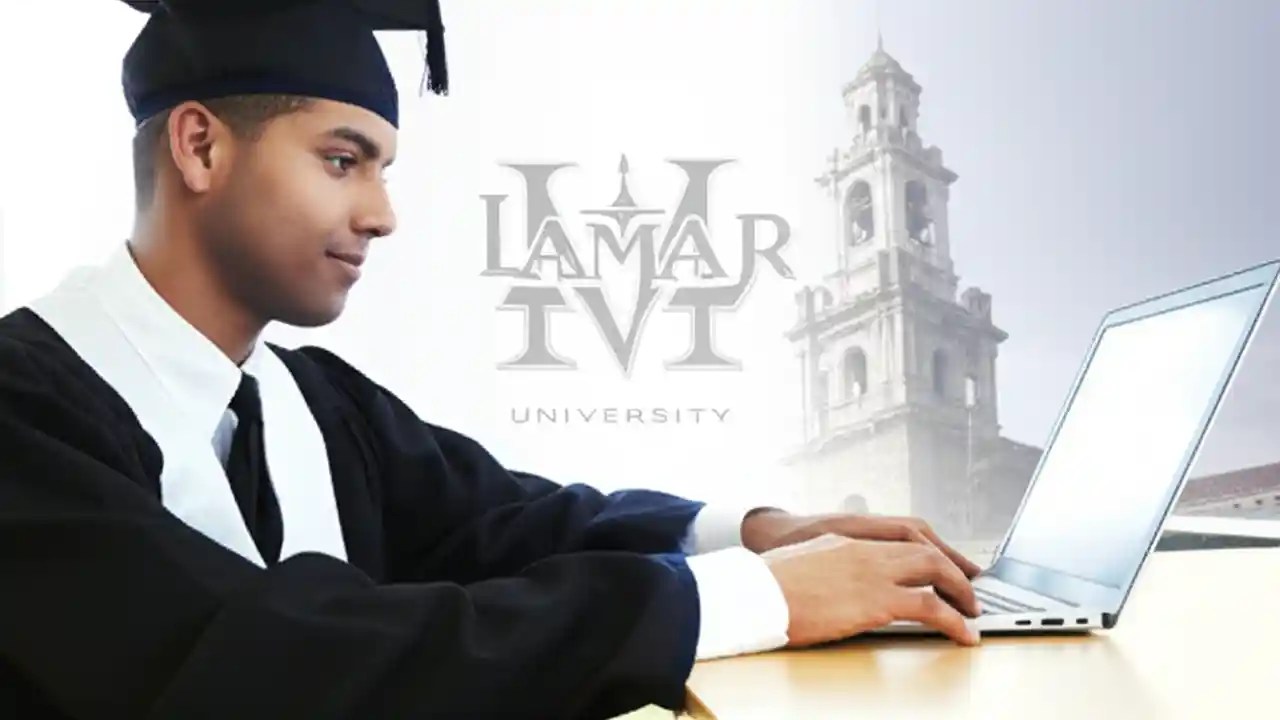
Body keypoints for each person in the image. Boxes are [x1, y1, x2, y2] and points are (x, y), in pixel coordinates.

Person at [0, 1, 982, 718]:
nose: (381, 214)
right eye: (343, 160)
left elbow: (512, 520)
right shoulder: (22, 411)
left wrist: (756, 533)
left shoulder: (306, 400)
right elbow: (251, 663)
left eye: (384, 170)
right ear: (201, 148)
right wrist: (739, 601)